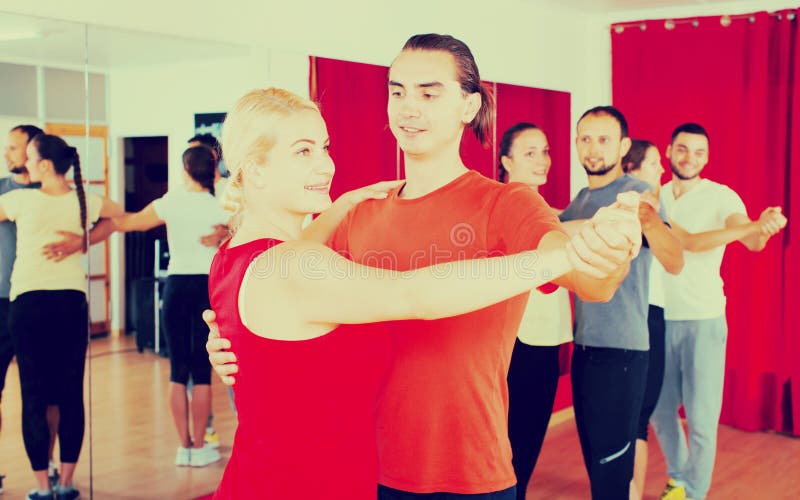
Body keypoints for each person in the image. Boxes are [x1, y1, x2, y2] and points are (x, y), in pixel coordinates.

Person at [208, 34, 642, 499]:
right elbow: (396, 294)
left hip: (466, 471)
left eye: (429, 93)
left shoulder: (507, 203)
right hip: (364, 469)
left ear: (469, 106)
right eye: (397, 92)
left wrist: (612, 245)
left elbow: (593, 284)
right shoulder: (354, 215)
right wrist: (233, 338)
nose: (408, 107)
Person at [651, 123, 786, 500]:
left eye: (698, 152)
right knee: (659, 411)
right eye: (682, 149)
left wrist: (763, 227)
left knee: (701, 419)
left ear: (707, 158)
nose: (689, 158)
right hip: (660, 319)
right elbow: (687, 243)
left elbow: (752, 239)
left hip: (704, 319)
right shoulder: (655, 195)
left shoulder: (722, 197)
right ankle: (679, 477)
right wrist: (754, 229)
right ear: (668, 150)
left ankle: (693, 493)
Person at [559, 107, 684, 500]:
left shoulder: (635, 196)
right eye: (585, 138)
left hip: (624, 352)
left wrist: (649, 222)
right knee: (596, 463)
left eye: (603, 139)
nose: (592, 149)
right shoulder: (580, 200)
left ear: (623, 145)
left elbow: (674, 261)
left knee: (613, 473)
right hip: (585, 349)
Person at [0, 133, 123, 500]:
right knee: (70, 394)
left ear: (44, 165)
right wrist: (82, 240)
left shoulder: (20, 200)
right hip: (71, 304)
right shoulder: (86, 200)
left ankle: (42, 488)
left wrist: (81, 241)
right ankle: (66, 483)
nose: (25, 164)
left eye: (30, 158)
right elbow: (119, 218)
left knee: (34, 397)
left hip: (28, 306)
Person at [112, 146, 228, 468]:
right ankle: (202, 446)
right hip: (207, 289)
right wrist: (226, 231)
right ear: (213, 171)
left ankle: (185, 447)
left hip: (176, 287)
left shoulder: (170, 202)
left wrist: (101, 222)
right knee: (202, 373)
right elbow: (243, 233)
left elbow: (132, 223)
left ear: (185, 170)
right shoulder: (222, 204)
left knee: (178, 371)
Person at [497, 122, 572, 500]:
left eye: (545, 151)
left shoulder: (550, 211)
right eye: (530, 153)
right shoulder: (500, 206)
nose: (543, 160)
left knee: (526, 447)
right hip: (510, 344)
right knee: (506, 447)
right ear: (506, 160)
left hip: (544, 342)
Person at [621, 138, 672, 500]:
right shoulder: (636, 205)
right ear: (631, 168)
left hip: (652, 317)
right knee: (634, 420)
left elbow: (675, 254)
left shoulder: (653, 209)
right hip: (637, 321)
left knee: (637, 418)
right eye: (653, 163)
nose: (661, 170)